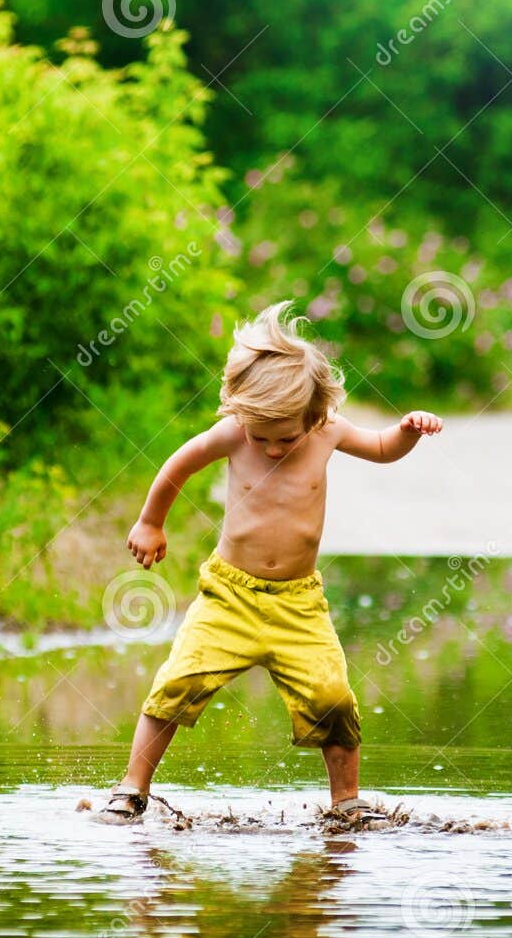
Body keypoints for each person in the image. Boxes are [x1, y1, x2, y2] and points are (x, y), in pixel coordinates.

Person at [97, 301, 443, 827]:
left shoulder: (327, 431)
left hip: (299, 602)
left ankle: (346, 801)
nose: (274, 448)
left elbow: (380, 448)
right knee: (176, 683)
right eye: (264, 438)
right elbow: (178, 466)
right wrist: (151, 522)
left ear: (316, 414)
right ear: (243, 416)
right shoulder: (236, 432)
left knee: (332, 695)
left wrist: (408, 432)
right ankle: (131, 789)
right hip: (229, 596)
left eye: (287, 437)